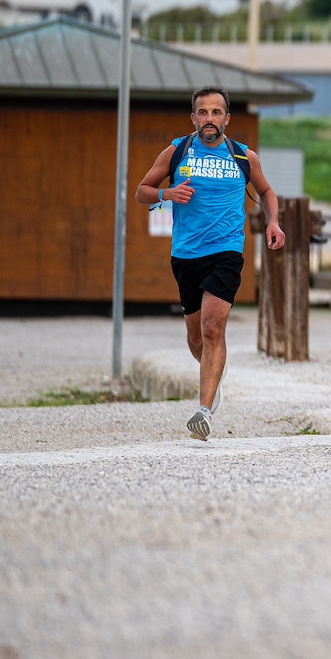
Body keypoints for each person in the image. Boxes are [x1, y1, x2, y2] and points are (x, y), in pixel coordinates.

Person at [134, 85, 287, 441]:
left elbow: (266, 191)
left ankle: (203, 411)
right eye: (203, 113)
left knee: (212, 328)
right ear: (193, 118)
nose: (209, 119)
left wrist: (274, 221)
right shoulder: (178, 150)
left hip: (227, 251)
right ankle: (213, 371)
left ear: (227, 119)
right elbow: (143, 190)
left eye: (216, 113)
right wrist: (166, 194)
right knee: (195, 334)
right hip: (186, 253)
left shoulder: (243, 156)